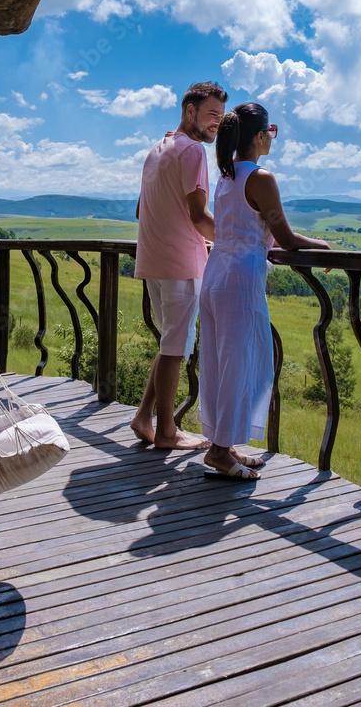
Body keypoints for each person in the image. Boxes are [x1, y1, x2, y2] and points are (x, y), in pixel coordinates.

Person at [199, 102, 330, 479]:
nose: (272, 138)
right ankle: (220, 453)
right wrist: (320, 246)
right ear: (259, 136)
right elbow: (285, 238)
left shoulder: (226, 177)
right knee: (243, 363)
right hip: (240, 278)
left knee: (221, 361)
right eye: (270, 132)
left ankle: (224, 443)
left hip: (216, 273)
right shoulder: (260, 178)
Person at [131, 81, 228, 449]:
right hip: (181, 266)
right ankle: (168, 432)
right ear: (190, 111)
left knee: (169, 343)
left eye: (220, 116)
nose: (216, 123)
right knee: (175, 350)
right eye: (211, 115)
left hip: (153, 262)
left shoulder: (158, 149)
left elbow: (142, 211)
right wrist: (235, 241)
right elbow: (199, 214)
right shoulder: (192, 152)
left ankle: (143, 418)